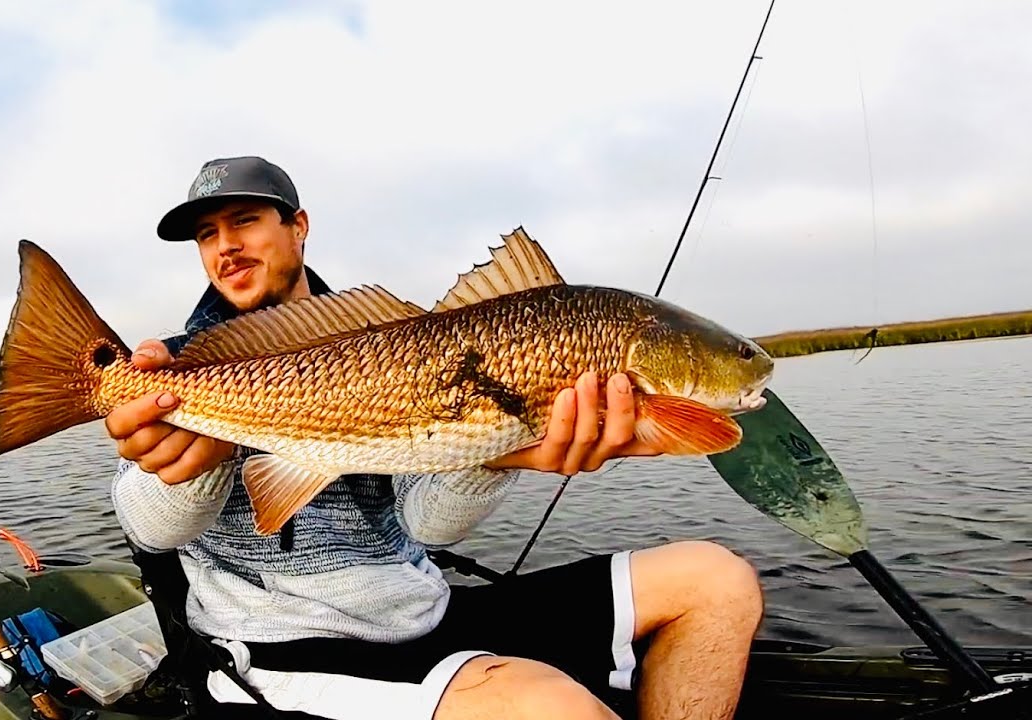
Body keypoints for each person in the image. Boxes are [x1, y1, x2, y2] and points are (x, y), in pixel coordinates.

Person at [106, 155, 764, 720]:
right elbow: (150, 530)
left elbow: (427, 524)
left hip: (425, 612)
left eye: (245, 220)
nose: (225, 246)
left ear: (298, 227)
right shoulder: (176, 366)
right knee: (553, 706)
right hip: (285, 650)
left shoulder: (394, 344)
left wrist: (499, 456)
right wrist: (199, 458)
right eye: (206, 234)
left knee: (720, 582)